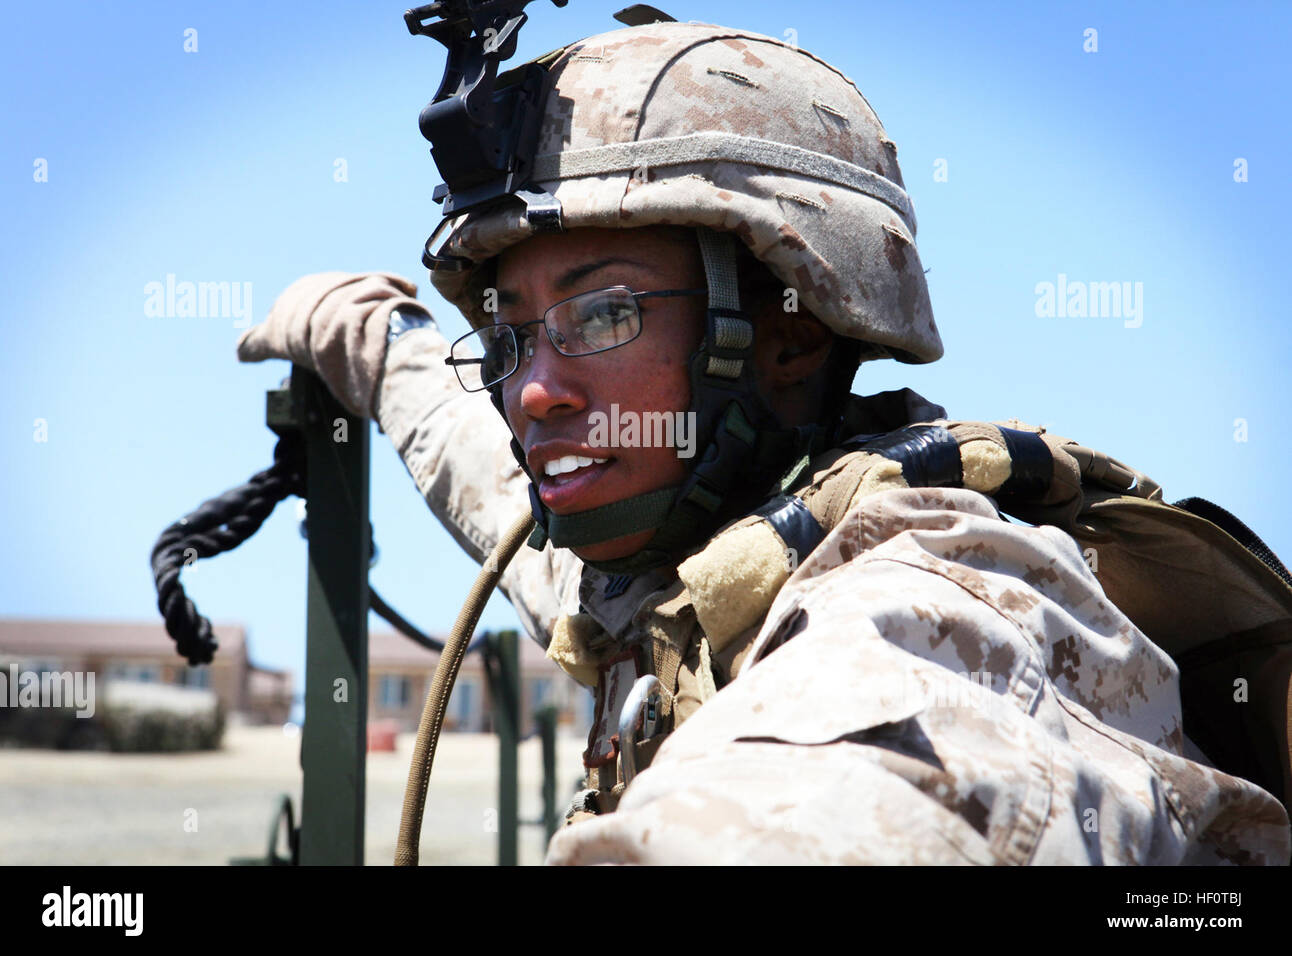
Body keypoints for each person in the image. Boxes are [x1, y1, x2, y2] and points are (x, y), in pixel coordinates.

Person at [237, 18, 1292, 864]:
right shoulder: (684, 576)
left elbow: (844, 791)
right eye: (510, 335)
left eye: (601, 314)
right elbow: (488, 482)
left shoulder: (938, 607)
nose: (535, 391)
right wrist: (379, 338)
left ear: (785, 333)